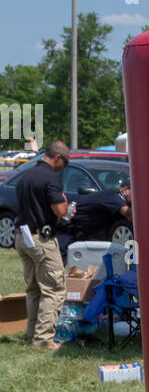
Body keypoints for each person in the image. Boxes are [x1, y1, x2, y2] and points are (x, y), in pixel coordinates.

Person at [13, 140, 70, 350]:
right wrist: (64, 201)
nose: (65, 167)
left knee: (34, 288)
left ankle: (32, 333)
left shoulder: (25, 175)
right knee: (54, 288)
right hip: (41, 238)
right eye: (66, 163)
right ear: (58, 158)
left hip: (22, 237)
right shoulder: (50, 178)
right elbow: (60, 211)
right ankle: (44, 338)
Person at [59, 184, 132, 260]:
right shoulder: (114, 195)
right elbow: (128, 214)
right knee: (58, 262)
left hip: (82, 232)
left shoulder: (115, 197)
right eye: (134, 193)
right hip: (69, 229)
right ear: (126, 190)